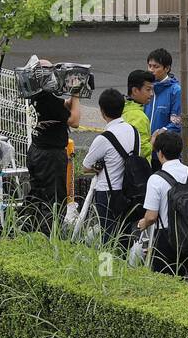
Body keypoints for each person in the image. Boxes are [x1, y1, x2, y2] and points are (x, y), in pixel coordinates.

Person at [137, 130, 188, 275]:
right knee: (181, 276)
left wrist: (143, 223)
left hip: (166, 239)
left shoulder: (156, 179)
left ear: (160, 153)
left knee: (163, 278)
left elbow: (151, 217)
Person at [23, 60, 81, 233]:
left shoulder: (35, 95)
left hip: (36, 151)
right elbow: (74, 121)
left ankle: (30, 232)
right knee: (54, 199)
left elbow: (63, 106)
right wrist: (76, 94)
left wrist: (72, 96)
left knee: (37, 195)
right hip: (50, 156)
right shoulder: (48, 99)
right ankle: (47, 236)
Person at [80, 88, 137, 238]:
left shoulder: (104, 138)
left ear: (102, 111)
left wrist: (99, 167)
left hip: (108, 192)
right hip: (131, 191)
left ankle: (110, 261)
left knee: (109, 235)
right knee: (126, 235)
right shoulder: (134, 131)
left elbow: (86, 167)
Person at [145, 47, 182, 166]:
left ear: (167, 68)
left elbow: (176, 123)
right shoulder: (145, 87)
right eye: (150, 66)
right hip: (145, 150)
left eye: (156, 67)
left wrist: (158, 134)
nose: (151, 70)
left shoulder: (175, 90)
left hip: (164, 153)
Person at [123, 69, 155, 163]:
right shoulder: (139, 116)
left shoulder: (123, 108)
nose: (151, 94)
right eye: (148, 90)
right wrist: (154, 139)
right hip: (139, 171)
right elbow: (142, 150)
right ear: (135, 90)